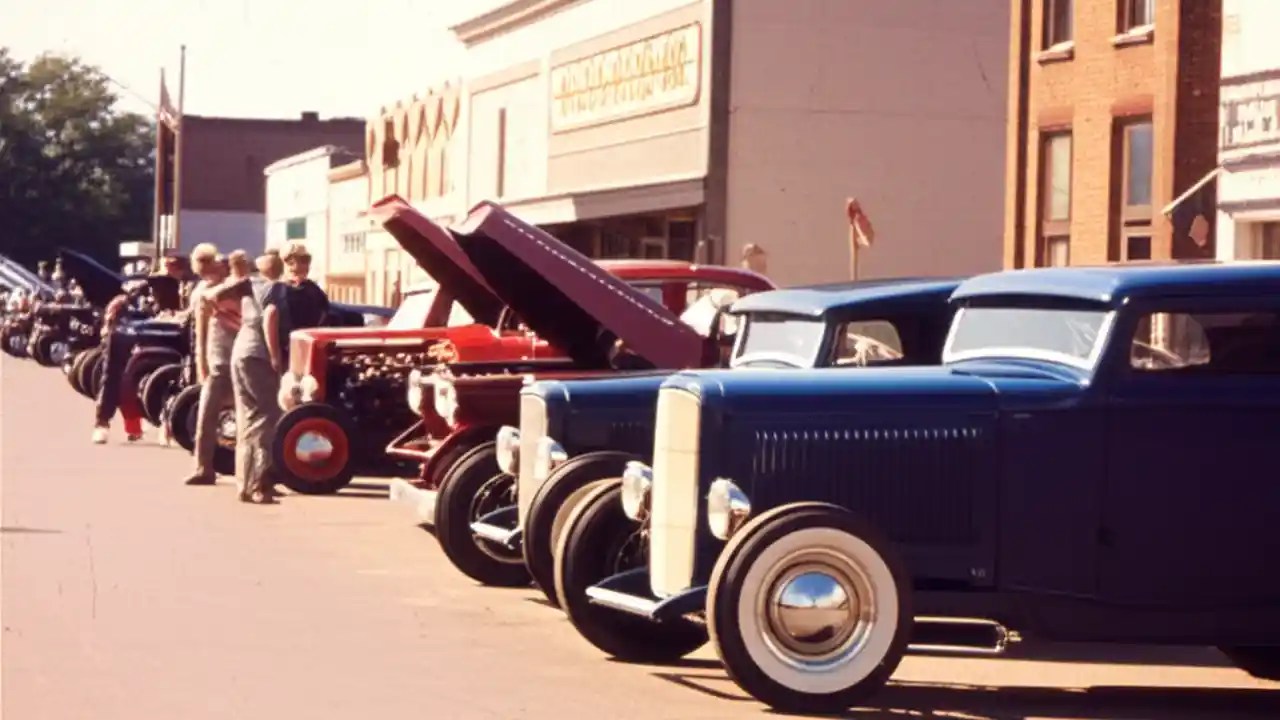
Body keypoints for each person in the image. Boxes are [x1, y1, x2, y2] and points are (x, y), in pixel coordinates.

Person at [213, 252, 289, 504]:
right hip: (259, 356)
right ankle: (260, 484)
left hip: (240, 352)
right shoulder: (274, 288)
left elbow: (214, 301)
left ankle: (243, 484)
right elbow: (271, 317)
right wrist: (275, 356)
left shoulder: (247, 287)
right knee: (267, 417)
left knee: (247, 419)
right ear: (281, 267)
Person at [181, 244, 241, 485]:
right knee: (206, 415)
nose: (208, 268)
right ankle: (203, 467)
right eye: (202, 264)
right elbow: (199, 332)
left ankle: (251, 475)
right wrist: (200, 363)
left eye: (211, 262)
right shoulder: (201, 293)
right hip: (216, 359)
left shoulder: (235, 288)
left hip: (239, 358)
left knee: (247, 419)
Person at [280, 242, 330, 339]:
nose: (297, 266)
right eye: (291, 263)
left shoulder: (313, 289)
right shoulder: (279, 290)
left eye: (304, 261)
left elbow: (324, 317)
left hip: (309, 340)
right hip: (288, 343)